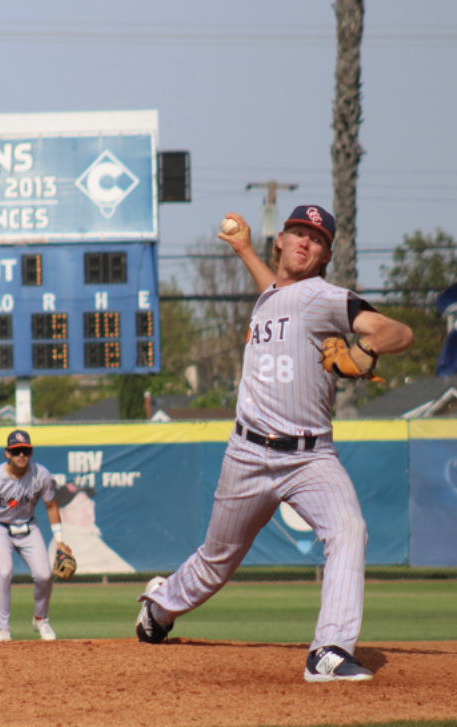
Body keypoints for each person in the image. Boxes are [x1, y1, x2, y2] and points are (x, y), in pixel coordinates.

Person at [134, 205, 413, 683]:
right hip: (247, 455)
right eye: (297, 233)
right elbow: (277, 290)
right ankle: (159, 608)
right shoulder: (272, 295)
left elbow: (398, 331)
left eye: (317, 238)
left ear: (326, 255)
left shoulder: (325, 297)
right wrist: (243, 248)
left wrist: (364, 351)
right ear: (280, 242)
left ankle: (328, 650)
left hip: (311, 457)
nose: (305, 242)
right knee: (216, 562)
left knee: (349, 530)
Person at [0, 429, 73, 642]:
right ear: (7, 453)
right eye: (16, 451)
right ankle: (3, 629)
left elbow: (51, 506)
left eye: (25, 450)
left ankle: (41, 619)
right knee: (5, 572)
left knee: (44, 575)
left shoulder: (41, 475)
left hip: (28, 526)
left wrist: (60, 541)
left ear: (31, 451)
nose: (21, 455)